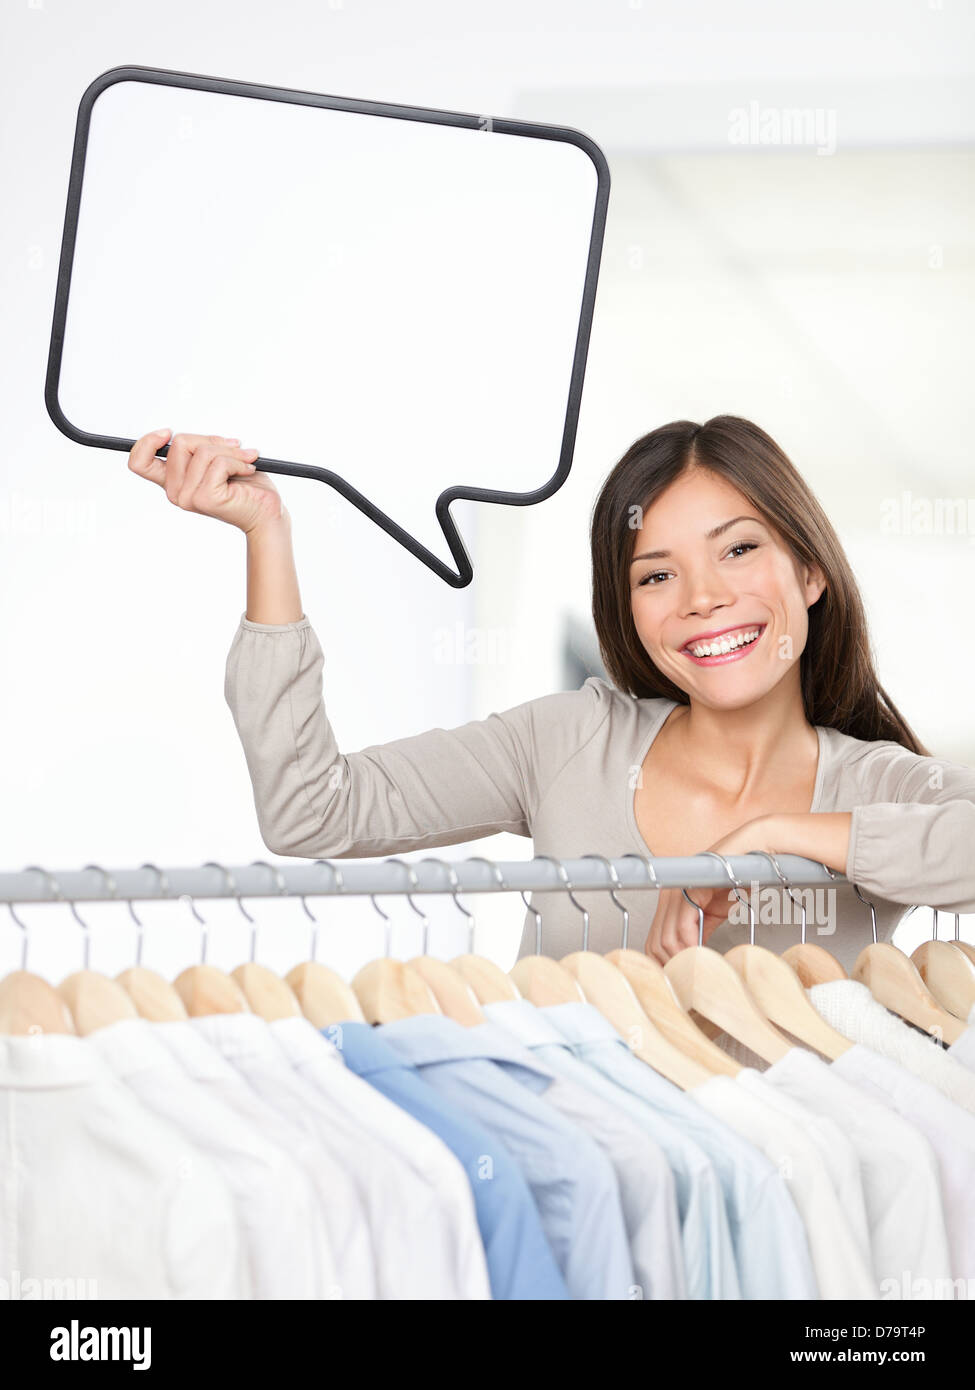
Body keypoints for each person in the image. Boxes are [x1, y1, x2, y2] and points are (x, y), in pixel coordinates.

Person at [127, 416, 975, 970]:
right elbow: (313, 810)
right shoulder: (572, 742)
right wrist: (265, 533)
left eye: (738, 550)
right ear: (627, 608)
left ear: (811, 570)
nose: (701, 598)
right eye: (655, 573)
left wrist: (771, 835)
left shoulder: (877, 788)